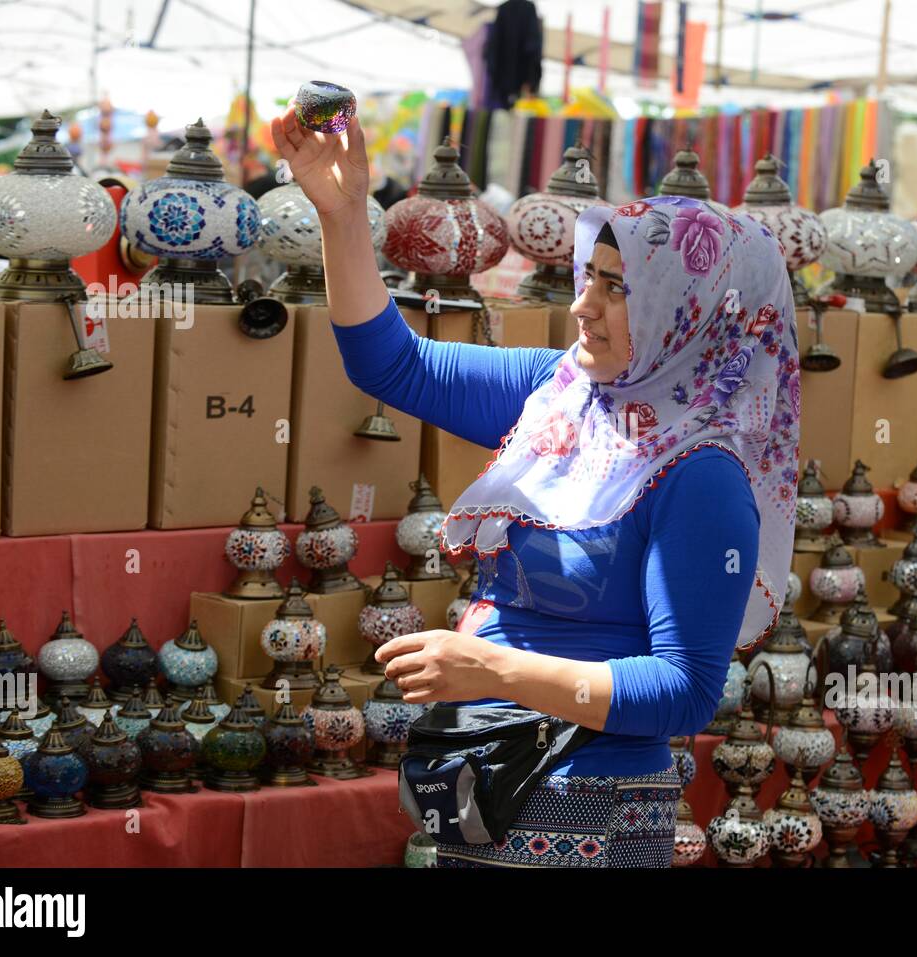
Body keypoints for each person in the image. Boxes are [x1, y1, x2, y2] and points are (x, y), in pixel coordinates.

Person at [271, 109, 800, 868]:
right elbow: (393, 366)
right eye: (591, 279)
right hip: (483, 779)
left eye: (618, 290)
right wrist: (344, 213)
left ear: (693, 316)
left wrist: (493, 670)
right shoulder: (556, 393)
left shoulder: (704, 476)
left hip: (587, 809)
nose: (584, 305)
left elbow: (684, 690)